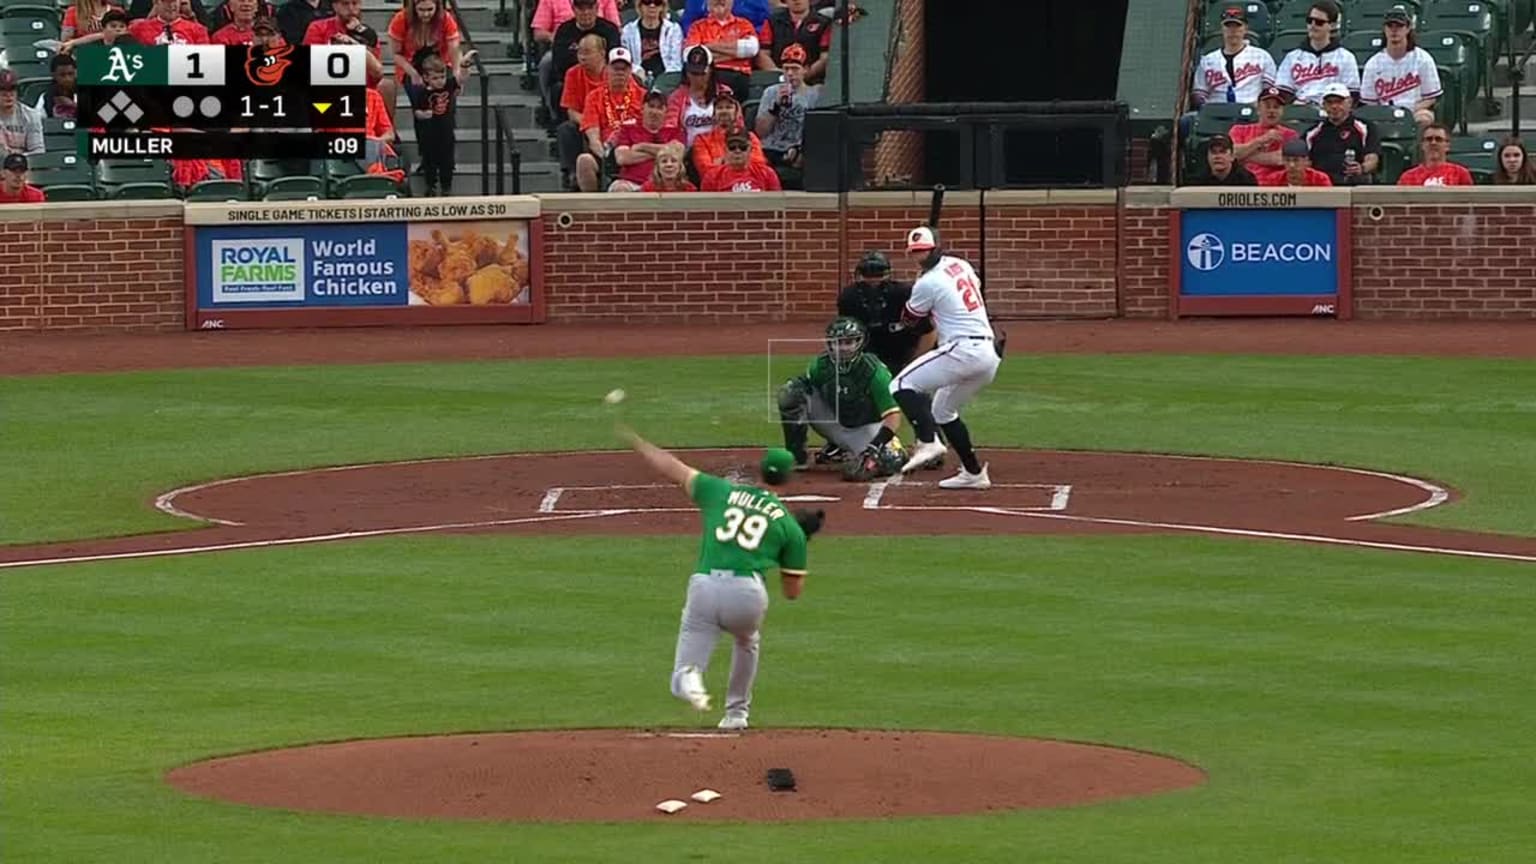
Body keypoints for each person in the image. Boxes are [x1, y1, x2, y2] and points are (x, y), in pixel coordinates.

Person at [615, 423, 824, 731]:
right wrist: (796, 545)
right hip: (747, 594)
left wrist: (639, 442)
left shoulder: (721, 491)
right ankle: (736, 714)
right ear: (787, 478)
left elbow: (673, 468)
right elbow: (792, 592)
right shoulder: (789, 526)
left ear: (761, 472)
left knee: (690, 649)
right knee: (747, 641)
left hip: (705, 586)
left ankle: (689, 676)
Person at [889, 226, 1002, 490]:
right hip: (988, 354)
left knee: (900, 385)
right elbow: (973, 287)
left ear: (936, 247)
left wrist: (924, 291)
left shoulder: (926, 283)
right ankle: (974, 473)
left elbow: (909, 319)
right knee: (943, 410)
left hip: (963, 350)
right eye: (916, 252)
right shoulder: (958, 264)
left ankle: (928, 441)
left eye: (924, 251)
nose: (920, 256)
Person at [777, 317, 908, 481]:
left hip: (866, 427)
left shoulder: (873, 371)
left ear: (859, 342)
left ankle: (855, 449)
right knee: (790, 393)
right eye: (838, 342)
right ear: (830, 344)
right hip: (835, 423)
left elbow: (893, 416)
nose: (843, 348)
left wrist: (875, 446)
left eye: (849, 342)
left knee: (891, 461)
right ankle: (797, 456)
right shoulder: (821, 365)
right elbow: (803, 390)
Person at [575, 46, 647, 192]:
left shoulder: (644, 97)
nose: (620, 73)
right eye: (616, 68)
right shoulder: (594, 97)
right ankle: (592, 206)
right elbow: (593, 136)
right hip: (605, 151)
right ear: (607, 69)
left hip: (633, 151)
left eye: (624, 69)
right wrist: (606, 156)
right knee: (584, 161)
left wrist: (628, 154)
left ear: (630, 70)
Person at [1360, 5, 1440, 128]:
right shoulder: (1373, 63)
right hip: (1383, 114)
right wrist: (1386, 114)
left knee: (1425, 117)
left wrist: (1407, 112)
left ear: (1408, 28)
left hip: (1414, 111)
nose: (1394, 30)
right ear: (1384, 29)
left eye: (1399, 26)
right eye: (1390, 26)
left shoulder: (1423, 59)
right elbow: (1369, 102)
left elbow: (1431, 98)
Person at [411, 48, 475, 196]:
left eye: (442, 77)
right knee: (430, 161)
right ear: (426, 78)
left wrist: (464, 66)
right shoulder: (422, 93)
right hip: (429, 133)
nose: (440, 81)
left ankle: (446, 187)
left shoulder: (448, 85)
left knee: (447, 161)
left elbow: (461, 79)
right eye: (435, 78)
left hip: (446, 130)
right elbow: (417, 111)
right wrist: (423, 114)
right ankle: (431, 186)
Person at [755, 43, 817, 189]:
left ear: (805, 70)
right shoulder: (770, 92)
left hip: (799, 149)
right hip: (771, 149)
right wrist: (775, 107)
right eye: (786, 69)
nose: (789, 73)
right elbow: (760, 131)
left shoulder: (815, 94)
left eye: (795, 69)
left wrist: (800, 149)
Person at [1274, 0, 1360, 106]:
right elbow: (1282, 92)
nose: (1312, 25)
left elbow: (1352, 94)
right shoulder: (1292, 57)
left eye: (1319, 22)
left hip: (1333, 112)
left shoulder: (1346, 58)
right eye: (1310, 20)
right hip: (1300, 112)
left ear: (1332, 25)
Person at [1304, 81, 1380, 186]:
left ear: (1349, 103)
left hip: (1353, 184)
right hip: (1322, 185)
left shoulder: (1366, 127)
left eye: (1339, 102)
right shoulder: (1312, 132)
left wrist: (1362, 168)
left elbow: (1372, 158)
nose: (1334, 106)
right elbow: (1304, 161)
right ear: (1324, 105)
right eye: (1330, 102)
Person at [609, 88, 685, 192]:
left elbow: (678, 153)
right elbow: (622, 158)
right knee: (619, 188)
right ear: (642, 108)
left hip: (665, 184)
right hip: (632, 182)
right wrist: (664, 153)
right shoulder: (627, 129)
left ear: (666, 112)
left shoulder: (675, 132)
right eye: (651, 106)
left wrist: (641, 147)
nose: (654, 111)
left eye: (659, 108)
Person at [684, 0, 759, 103]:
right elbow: (690, 54)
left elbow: (751, 49)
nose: (719, 1)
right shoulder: (697, 26)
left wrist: (708, 47)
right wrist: (737, 53)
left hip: (737, 75)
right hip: (705, 75)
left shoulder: (744, 24)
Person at [388, 0, 461, 99]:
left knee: (447, 98)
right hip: (411, 65)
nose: (426, 14)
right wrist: (413, 74)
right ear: (414, 8)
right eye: (421, 10)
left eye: (430, 9)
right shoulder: (401, 19)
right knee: (420, 100)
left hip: (440, 63)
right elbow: (396, 54)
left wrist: (457, 73)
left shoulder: (445, 18)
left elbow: (454, 48)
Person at [1229, 86, 1297, 184]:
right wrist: (1261, 140)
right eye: (1267, 106)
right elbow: (1232, 154)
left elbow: (1280, 159)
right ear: (1258, 109)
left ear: (1282, 111)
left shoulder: (1290, 134)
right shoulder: (1239, 129)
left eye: (1276, 107)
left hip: (1276, 185)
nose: (1272, 111)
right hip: (1243, 183)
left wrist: (1243, 156)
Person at [664, 45, 729, 147]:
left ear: (710, 71)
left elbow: (737, 125)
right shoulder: (676, 98)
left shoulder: (725, 93)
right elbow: (670, 129)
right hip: (687, 151)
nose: (697, 78)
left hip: (720, 148)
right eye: (693, 73)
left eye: (701, 74)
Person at [756, 0, 831, 83]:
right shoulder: (772, 21)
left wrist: (803, 75)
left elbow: (825, 57)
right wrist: (780, 75)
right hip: (778, 81)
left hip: (812, 81)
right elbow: (762, 54)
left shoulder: (824, 23)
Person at [620, 0, 683, 84]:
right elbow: (626, 59)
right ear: (640, 6)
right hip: (637, 76)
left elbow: (676, 63)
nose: (652, 6)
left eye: (657, 2)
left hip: (666, 76)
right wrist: (637, 70)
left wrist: (661, 80)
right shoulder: (628, 30)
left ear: (662, 7)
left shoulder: (674, 29)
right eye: (647, 1)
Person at [701, 128, 781, 190]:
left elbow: (777, 204)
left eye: (743, 147)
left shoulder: (767, 174)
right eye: (732, 147)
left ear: (750, 149)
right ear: (725, 150)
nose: (737, 151)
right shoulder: (712, 177)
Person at [1397, 122, 1473, 186]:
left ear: (1447, 145)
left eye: (1438, 139)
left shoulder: (1460, 174)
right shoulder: (1408, 177)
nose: (1433, 143)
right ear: (1422, 145)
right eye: (1429, 139)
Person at [0, 71, 45, 157]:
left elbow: (38, 151)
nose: (8, 94)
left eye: (12, 89)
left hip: (24, 166)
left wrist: (17, 158)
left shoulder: (31, 115)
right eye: (2, 89)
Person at [128, 0, 211, 43]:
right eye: (166, 2)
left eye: (174, 1)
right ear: (156, 2)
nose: (171, 6)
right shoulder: (137, 29)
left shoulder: (199, 30)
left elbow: (206, 59)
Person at [1260, 137, 1333, 186]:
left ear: (1306, 161)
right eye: (1287, 160)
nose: (1292, 165)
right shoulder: (1272, 180)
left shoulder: (1320, 179)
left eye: (1296, 160)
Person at [35, 55, 79, 121]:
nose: (67, 79)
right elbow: (37, 121)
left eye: (70, 74)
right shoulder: (45, 98)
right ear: (54, 75)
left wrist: (73, 106)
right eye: (62, 75)